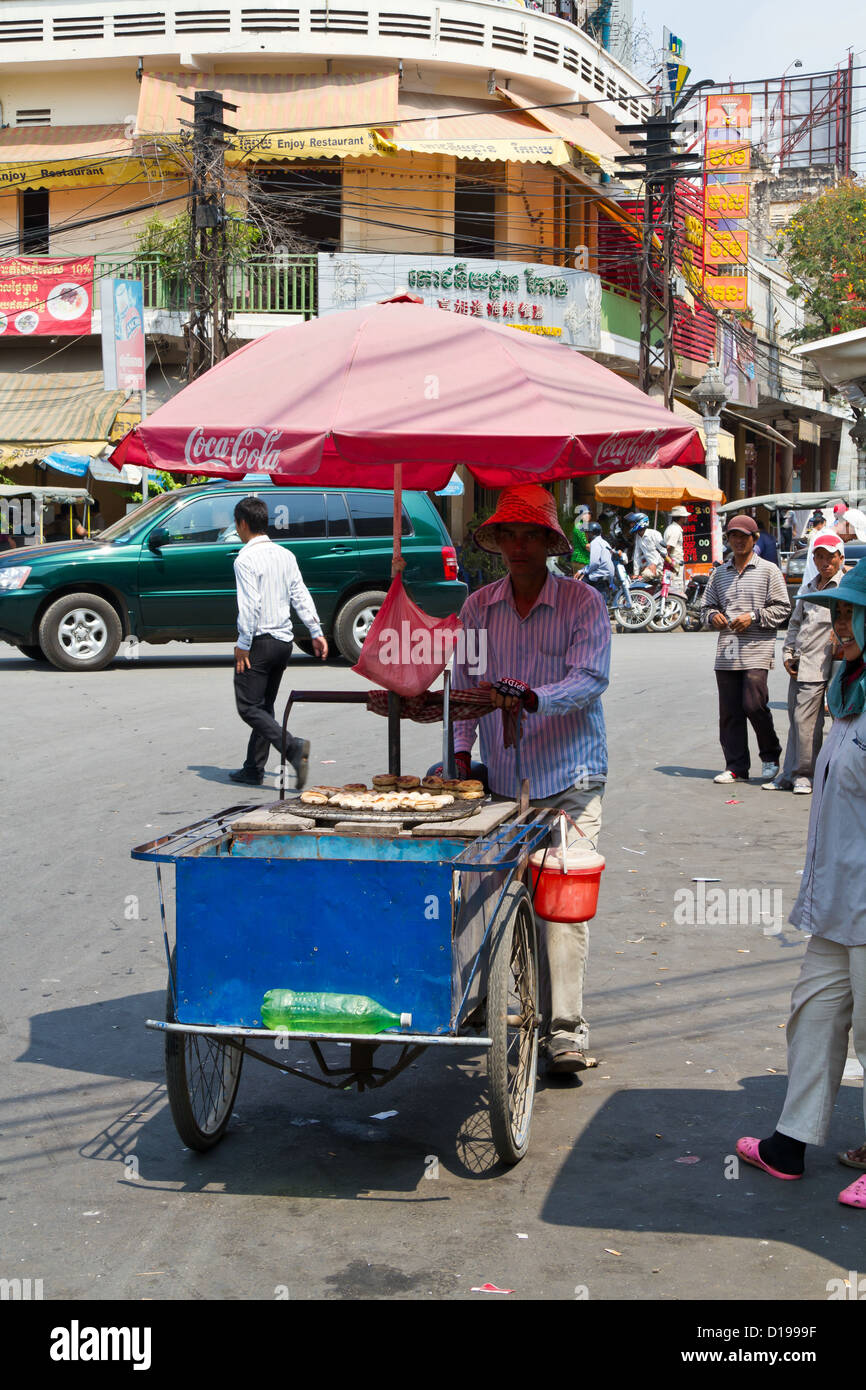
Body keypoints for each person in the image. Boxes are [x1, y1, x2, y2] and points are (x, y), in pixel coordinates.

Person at [450, 483, 611, 1076]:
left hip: (569, 779)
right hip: (502, 783)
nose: (518, 546)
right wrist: (460, 757)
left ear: (549, 542)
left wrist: (536, 698)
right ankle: (480, 1003)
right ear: (496, 543)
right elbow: (463, 694)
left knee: (560, 907)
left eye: (530, 535)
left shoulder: (583, 604)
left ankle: (565, 1030)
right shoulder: (476, 609)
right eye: (508, 535)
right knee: (481, 896)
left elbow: (590, 678)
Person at [736, 559, 866, 1209]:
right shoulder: (850, 691)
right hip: (838, 899)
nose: (836, 624)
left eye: (847, 615)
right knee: (813, 1018)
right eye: (837, 613)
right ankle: (791, 1142)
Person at [229, 495, 328, 788]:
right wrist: (315, 630)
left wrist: (243, 643)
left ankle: (293, 747)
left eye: (236, 525)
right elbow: (300, 594)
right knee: (264, 706)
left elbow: (250, 605)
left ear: (243, 524)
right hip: (283, 643)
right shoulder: (286, 555)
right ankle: (253, 768)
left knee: (248, 707)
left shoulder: (244, 559)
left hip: (259, 641)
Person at [701, 514, 791, 784]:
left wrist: (752, 616)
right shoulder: (719, 573)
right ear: (728, 540)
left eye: (744, 536)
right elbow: (706, 608)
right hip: (727, 651)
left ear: (754, 539)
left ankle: (770, 755)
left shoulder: (768, 570)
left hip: (757, 648)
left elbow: (783, 609)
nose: (738, 541)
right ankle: (736, 766)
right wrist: (712, 617)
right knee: (729, 711)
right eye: (733, 536)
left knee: (754, 704)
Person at [764, 533, 844, 794]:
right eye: (820, 556)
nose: (825, 562)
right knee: (797, 723)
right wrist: (787, 654)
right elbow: (795, 624)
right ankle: (789, 773)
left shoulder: (844, 587)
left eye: (830, 557)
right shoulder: (810, 587)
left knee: (807, 723)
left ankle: (804, 775)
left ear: (840, 558)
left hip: (824, 664)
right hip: (800, 662)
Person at [630, 513, 667, 579]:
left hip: (660, 566)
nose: (631, 525)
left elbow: (663, 551)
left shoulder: (654, 534)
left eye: (633, 523)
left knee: (645, 574)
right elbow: (636, 555)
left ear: (640, 522)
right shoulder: (638, 537)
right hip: (650, 566)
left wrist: (654, 564)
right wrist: (636, 573)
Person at [583, 521, 616, 594]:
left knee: (581, 582)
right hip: (608, 575)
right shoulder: (604, 542)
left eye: (587, 533)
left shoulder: (595, 542)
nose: (586, 535)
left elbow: (594, 563)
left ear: (591, 533)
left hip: (600, 575)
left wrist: (584, 571)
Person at [663, 505, 689, 594]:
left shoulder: (673, 528)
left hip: (674, 564)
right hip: (675, 565)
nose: (686, 518)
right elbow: (669, 548)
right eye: (685, 517)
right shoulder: (675, 530)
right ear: (681, 518)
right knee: (676, 590)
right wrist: (672, 563)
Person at [570, 505, 591, 575]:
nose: (588, 515)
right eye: (585, 514)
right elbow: (586, 545)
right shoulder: (580, 526)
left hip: (585, 559)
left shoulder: (585, 526)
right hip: (580, 560)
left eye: (589, 513)